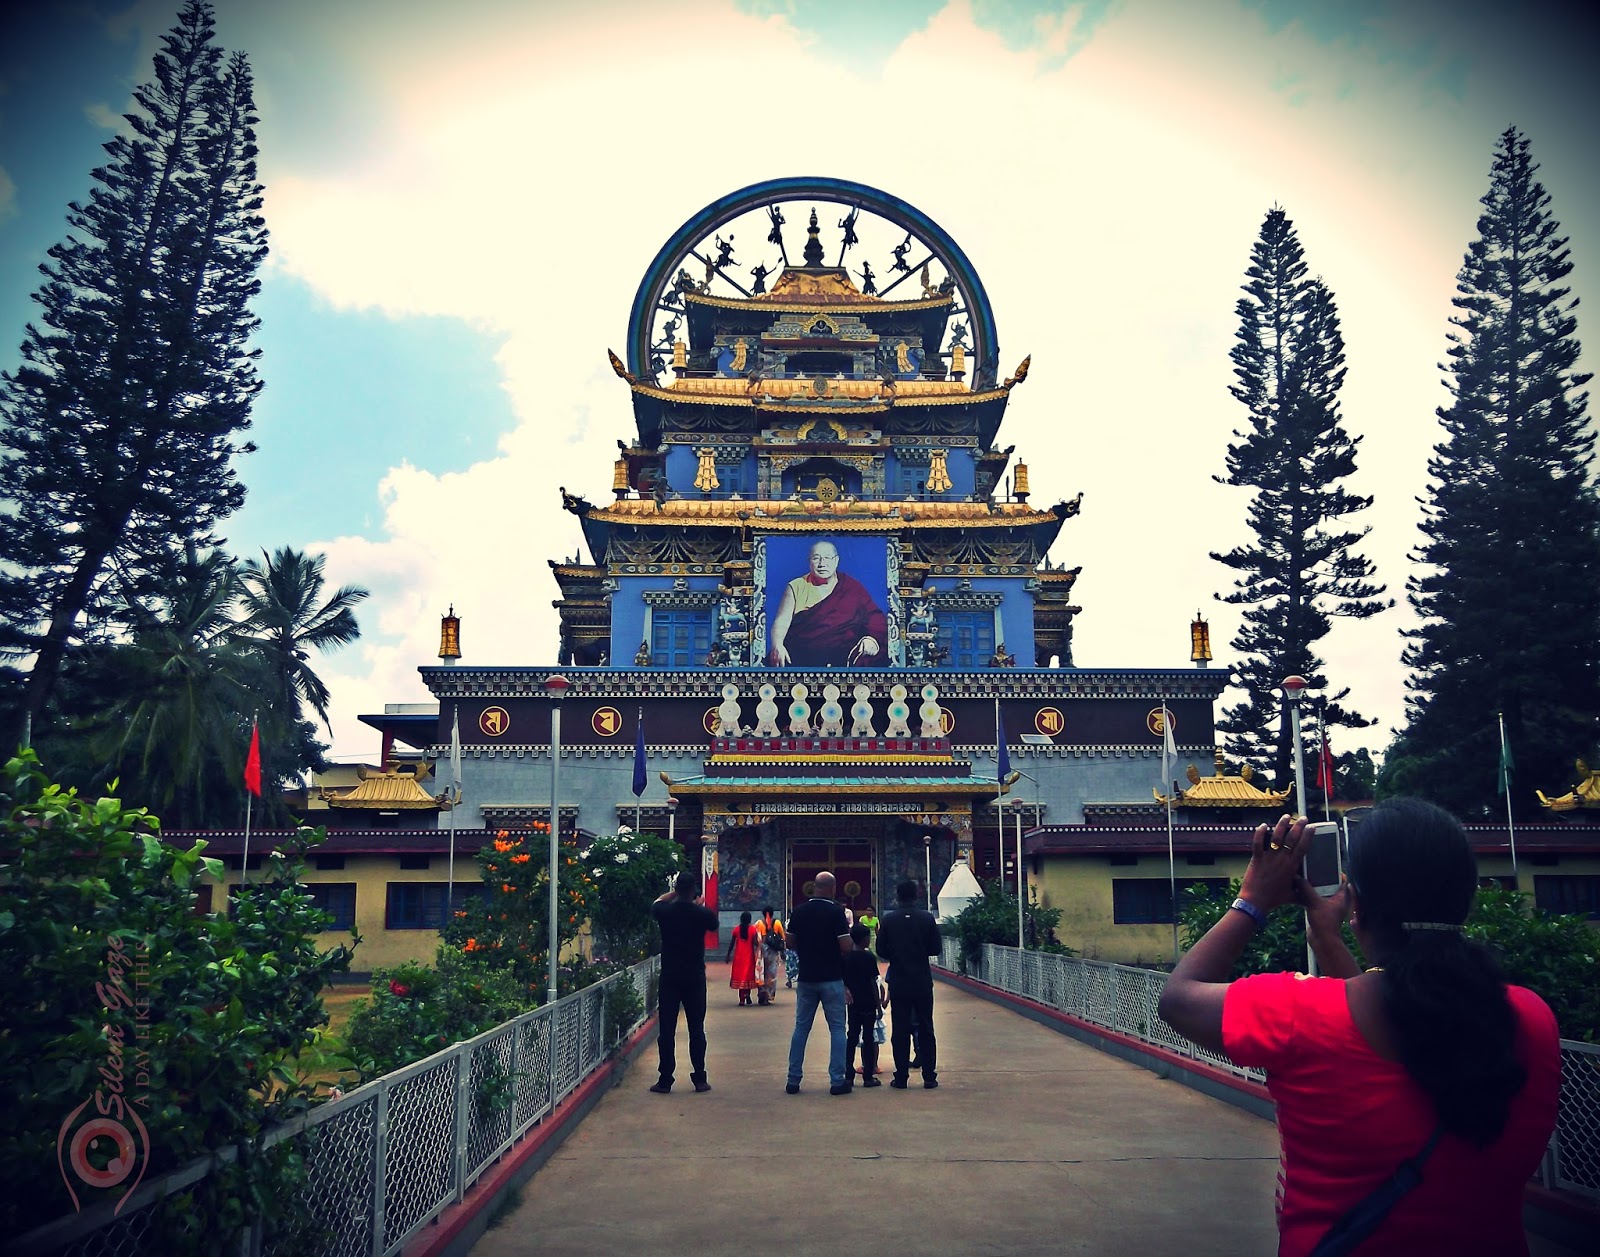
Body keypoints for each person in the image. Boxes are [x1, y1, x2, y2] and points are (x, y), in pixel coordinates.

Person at [1158, 803, 1561, 1257]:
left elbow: (1178, 999)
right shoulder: (1531, 1018)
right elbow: (1400, 1011)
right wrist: (1327, 941)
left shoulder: (1296, 1013)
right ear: (1466, 897)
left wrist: (1253, 900)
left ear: (1360, 906)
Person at [649, 872, 719, 1094]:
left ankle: (665, 1079)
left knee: (667, 1030)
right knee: (696, 1029)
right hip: (695, 977)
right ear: (693, 890)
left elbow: (657, 902)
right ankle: (699, 1078)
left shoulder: (664, 912)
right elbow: (714, 925)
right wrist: (696, 903)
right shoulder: (702, 914)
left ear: (677, 889)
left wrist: (675, 893)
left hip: (670, 977)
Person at [766, 540, 887, 667]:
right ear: (809, 562)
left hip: (843, 664)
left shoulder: (852, 588)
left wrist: (871, 640)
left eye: (827, 558)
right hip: (800, 662)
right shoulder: (796, 586)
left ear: (836, 561)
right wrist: (777, 644)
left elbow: (876, 619)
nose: (822, 564)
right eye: (816, 558)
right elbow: (782, 620)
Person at [784, 870, 853, 1095]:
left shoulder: (799, 911)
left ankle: (793, 1079)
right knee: (837, 1029)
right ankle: (837, 1080)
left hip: (806, 977)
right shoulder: (836, 913)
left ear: (814, 887)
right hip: (832, 977)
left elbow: (790, 942)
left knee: (801, 1028)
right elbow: (845, 947)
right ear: (833, 888)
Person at [874, 878, 942, 1089]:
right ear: (916, 895)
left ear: (897, 896)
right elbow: (935, 948)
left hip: (900, 981)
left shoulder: (889, 920)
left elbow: (882, 951)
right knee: (926, 1027)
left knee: (901, 1029)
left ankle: (901, 1076)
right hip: (921, 980)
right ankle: (929, 1076)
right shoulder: (926, 918)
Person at [842, 923, 886, 1087]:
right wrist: (878, 1006)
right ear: (864, 939)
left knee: (852, 1036)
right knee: (868, 1038)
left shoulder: (846, 957)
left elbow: (844, 981)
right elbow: (872, 982)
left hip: (853, 1003)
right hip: (868, 1002)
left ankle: (848, 1074)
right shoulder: (868, 958)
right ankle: (868, 1076)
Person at [725, 910, 761, 1006]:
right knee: (748, 977)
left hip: (739, 957)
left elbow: (732, 943)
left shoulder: (736, 929)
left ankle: (741, 999)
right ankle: (748, 995)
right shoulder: (752, 930)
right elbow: (755, 943)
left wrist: (728, 955)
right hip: (749, 957)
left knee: (741, 977)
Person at [757, 906, 785, 1006]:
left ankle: (761, 994)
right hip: (773, 952)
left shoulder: (759, 923)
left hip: (762, 951)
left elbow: (757, 938)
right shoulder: (777, 923)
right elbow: (782, 937)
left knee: (762, 973)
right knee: (771, 974)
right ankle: (768, 996)